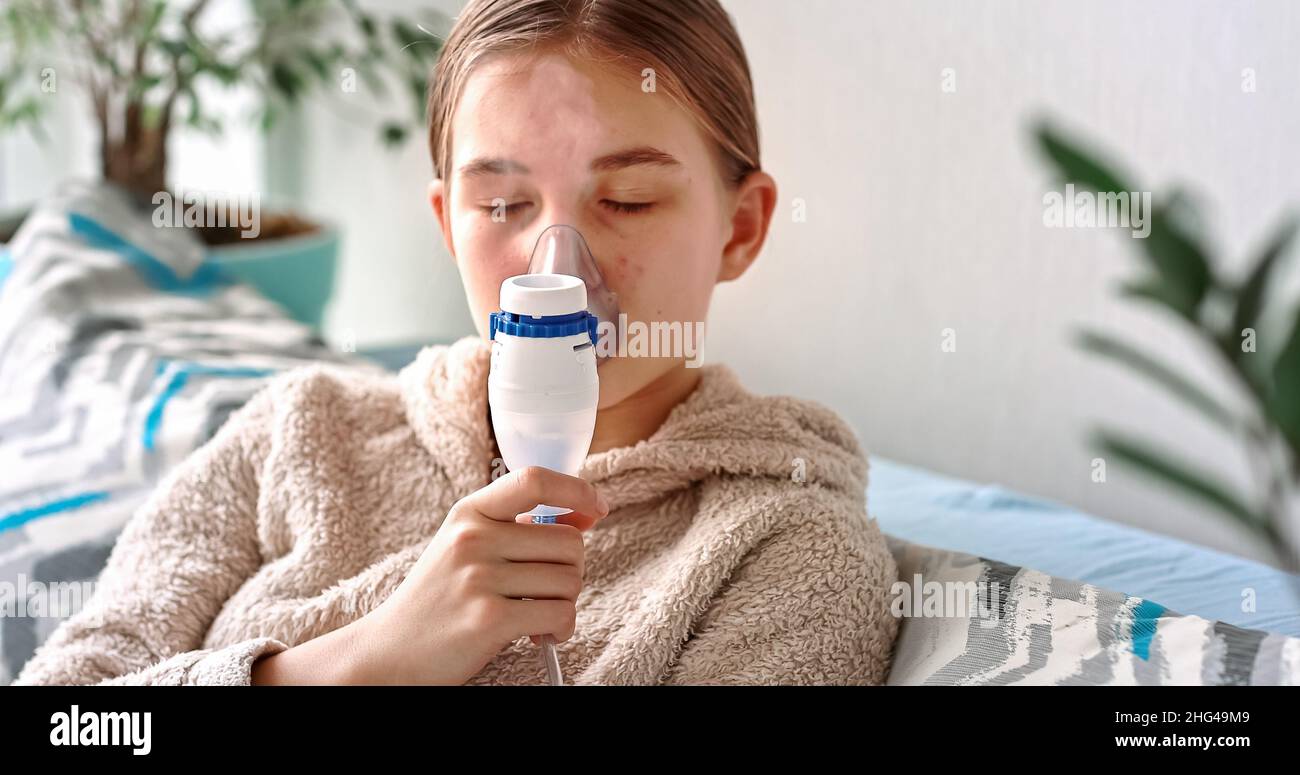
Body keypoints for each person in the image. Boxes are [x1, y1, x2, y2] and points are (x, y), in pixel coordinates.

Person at [14, 0, 899, 686]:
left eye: (626, 199)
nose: (558, 263)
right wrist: (358, 663)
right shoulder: (300, 432)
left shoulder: (790, 551)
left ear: (740, 228)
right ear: (446, 220)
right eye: (504, 205)